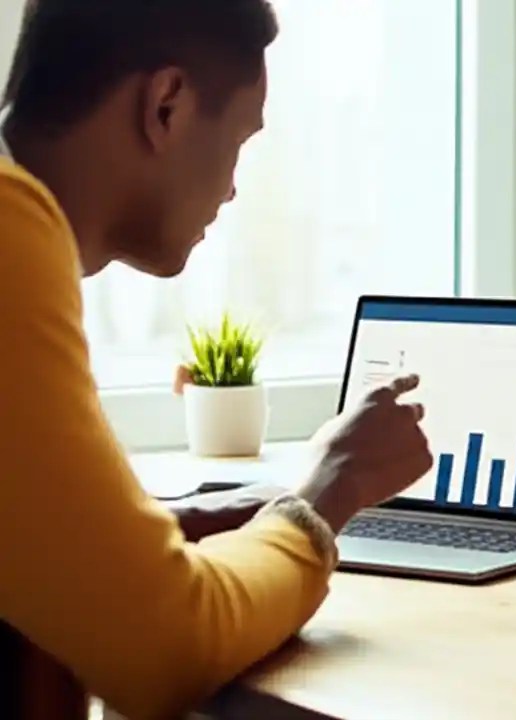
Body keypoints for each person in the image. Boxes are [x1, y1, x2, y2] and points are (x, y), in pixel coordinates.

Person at [0, 2, 434, 718]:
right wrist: (325, 496)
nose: (233, 187)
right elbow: (165, 649)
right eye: (239, 138)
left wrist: (163, 526)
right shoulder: (11, 241)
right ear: (165, 106)